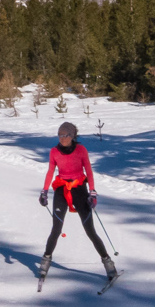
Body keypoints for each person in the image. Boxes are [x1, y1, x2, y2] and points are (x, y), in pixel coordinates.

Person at [39, 120, 116, 285]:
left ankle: (109, 264)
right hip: (61, 190)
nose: (62, 138)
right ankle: (45, 261)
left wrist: (93, 192)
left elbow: (88, 170)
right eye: (59, 135)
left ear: (72, 135)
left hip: (80, 190)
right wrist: (44, 191)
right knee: (56, 228)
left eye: (65, 135)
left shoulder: (81, 150)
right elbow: (50, 171)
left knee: (90, 231)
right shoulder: (54, 151)